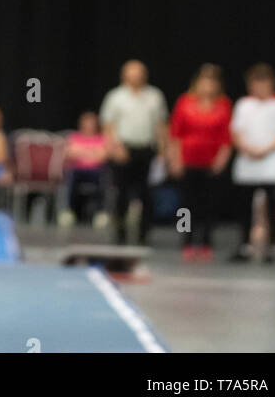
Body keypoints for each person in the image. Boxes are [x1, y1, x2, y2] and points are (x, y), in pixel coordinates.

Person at [229, 63, 275, 263]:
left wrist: (265, 150)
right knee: (244, 207)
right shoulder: (243, 104)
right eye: (256, 83)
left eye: (264, 83)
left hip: (271, 165)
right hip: (247, 164)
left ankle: (272, 245)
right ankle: (245, 245)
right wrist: (248, 148)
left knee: (273, 207)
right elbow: (235, 131)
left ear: (272, 84)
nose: (260, 88)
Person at [100, 60, 168, 246]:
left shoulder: (154, 96)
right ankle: (120, 234)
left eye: (139, 73)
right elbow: (108, 126)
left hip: (146, 150)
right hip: (123, 150)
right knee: (121, 194)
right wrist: (115, 148)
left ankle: (144, 235)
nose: (135, 77)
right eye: (131, 73)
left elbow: (161, 126)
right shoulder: (115, 97)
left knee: (147, 195)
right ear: (124, 75)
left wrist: (162, 152)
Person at [168, 65, 232, 261]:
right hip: (187, 160)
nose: (208, 86)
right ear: (197, 84)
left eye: (212, 82)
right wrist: (175, 159)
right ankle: (186, 240)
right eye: (204, 82)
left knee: (209, 204)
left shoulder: (224, 104)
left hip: (211, 162)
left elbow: (226, 137)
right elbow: (175, 134)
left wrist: (221, 159)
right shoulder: (185, 102)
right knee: (186, 204)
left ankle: (206, 241)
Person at [63, 112, 108, 226]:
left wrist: (82, 152)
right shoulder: (74, 137)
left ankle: (100, 213)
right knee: (71, 177)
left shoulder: (101, 138)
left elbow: (103, 157)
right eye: (86, 122)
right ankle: (69, 211)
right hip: (78, 170)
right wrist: (92, 152)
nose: (89, 125)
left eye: (91, 122)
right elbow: (70, 154)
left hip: (96, 171)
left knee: (103, 180)